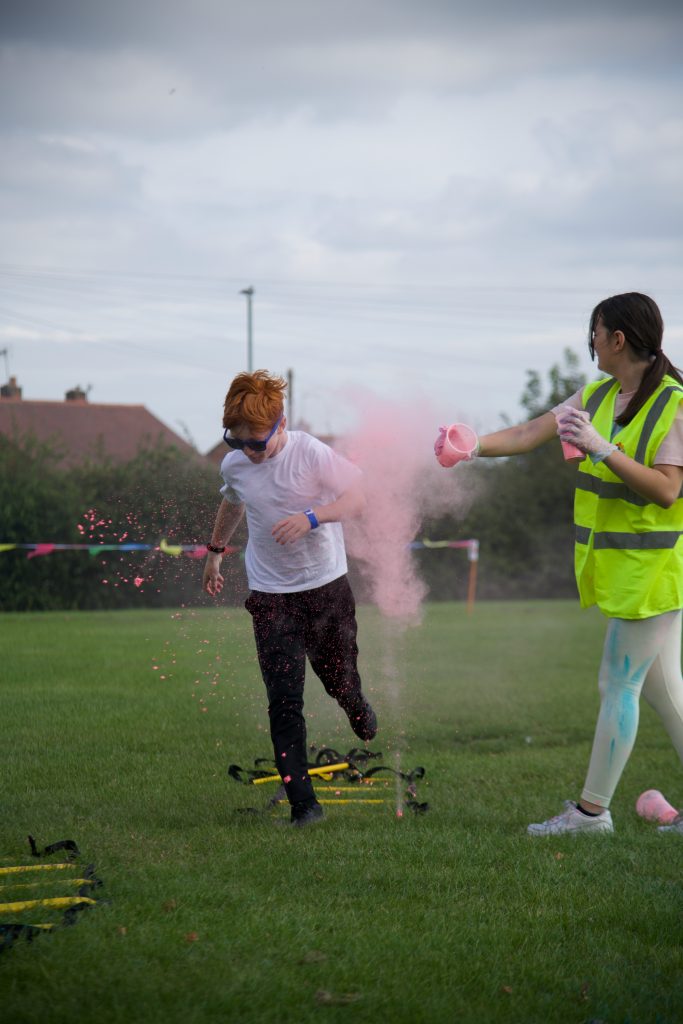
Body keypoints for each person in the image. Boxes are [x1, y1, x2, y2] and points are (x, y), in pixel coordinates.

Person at [436, 292, 683, 836]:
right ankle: (598, 813)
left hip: (656, 573)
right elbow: (529, 434)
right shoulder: (596, 394)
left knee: (617, 683)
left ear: (618, 339)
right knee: (666, 693)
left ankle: (591, 814)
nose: (590, 341)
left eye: (594, 331)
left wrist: (602, 449)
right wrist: (472, 444)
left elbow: (668, 490)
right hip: (627, 571)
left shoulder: (676, 401)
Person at [203, 370, 377, 828]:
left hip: (325, 588)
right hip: (271, 595)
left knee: (337, 677)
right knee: (283, 699)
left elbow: (358, 499)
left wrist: (314, 517)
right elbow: (232, 501)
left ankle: (354, 702)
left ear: (281, 425)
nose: (250, 454)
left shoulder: (312, 454)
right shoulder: (236, 465)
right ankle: (304, 804)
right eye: (238, 443)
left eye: (257, 443)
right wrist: (215, 553)